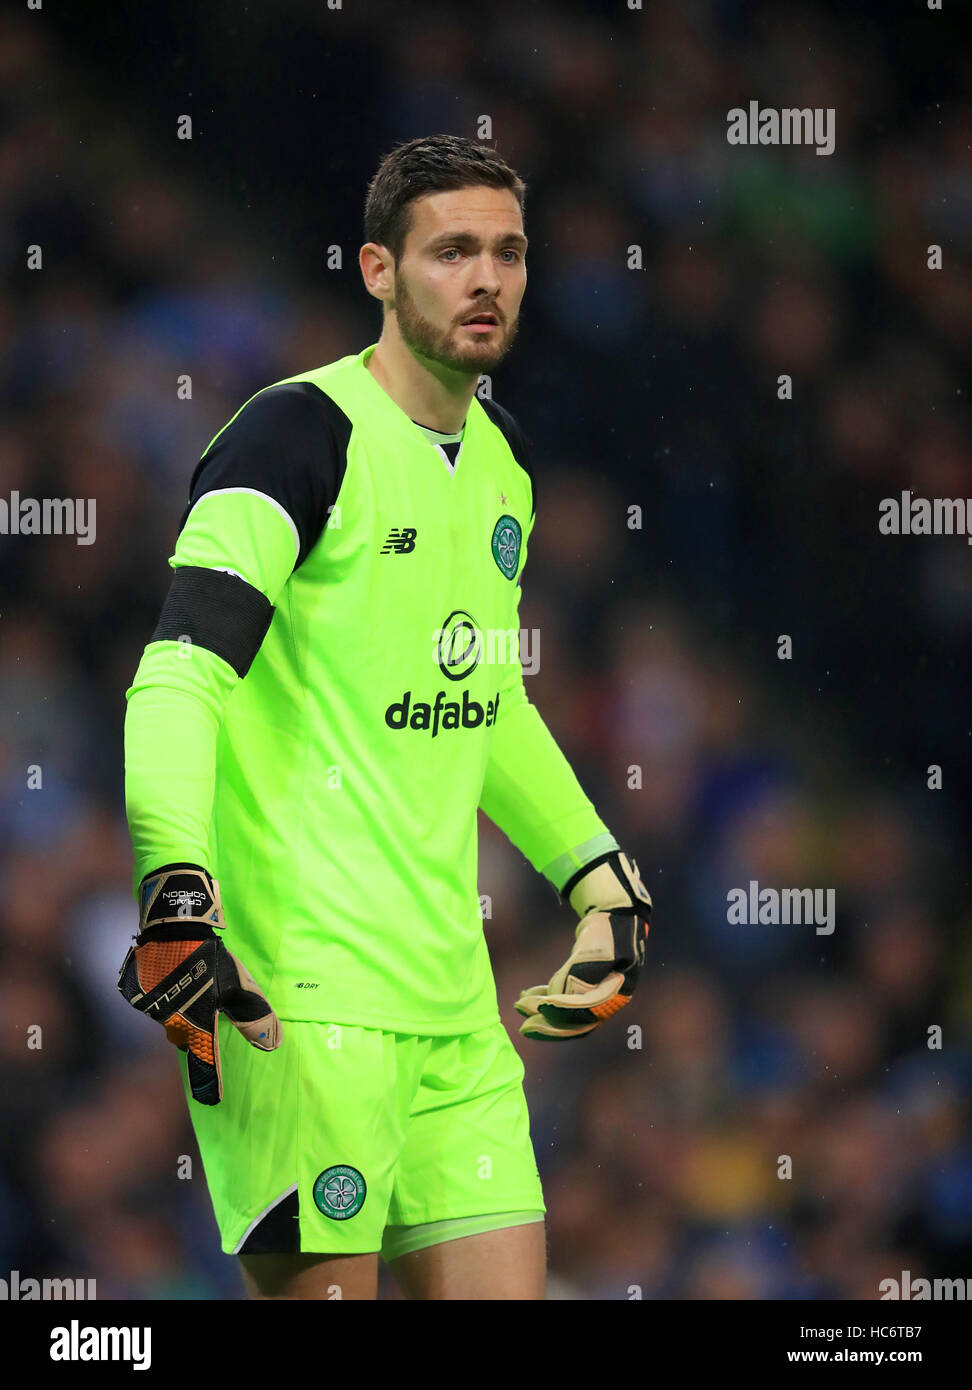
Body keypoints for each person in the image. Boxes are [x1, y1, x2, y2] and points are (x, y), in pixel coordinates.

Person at [120, 133, 652, 1301]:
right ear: (377, 271)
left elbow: (485, 697)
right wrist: (174, 892)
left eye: (508, 253)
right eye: (451, 251)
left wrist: (597, 876)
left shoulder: (503, 463)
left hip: (455, 1008)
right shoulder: (294, 435)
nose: (487, 280)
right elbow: (179, 672)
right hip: (296, 1000)